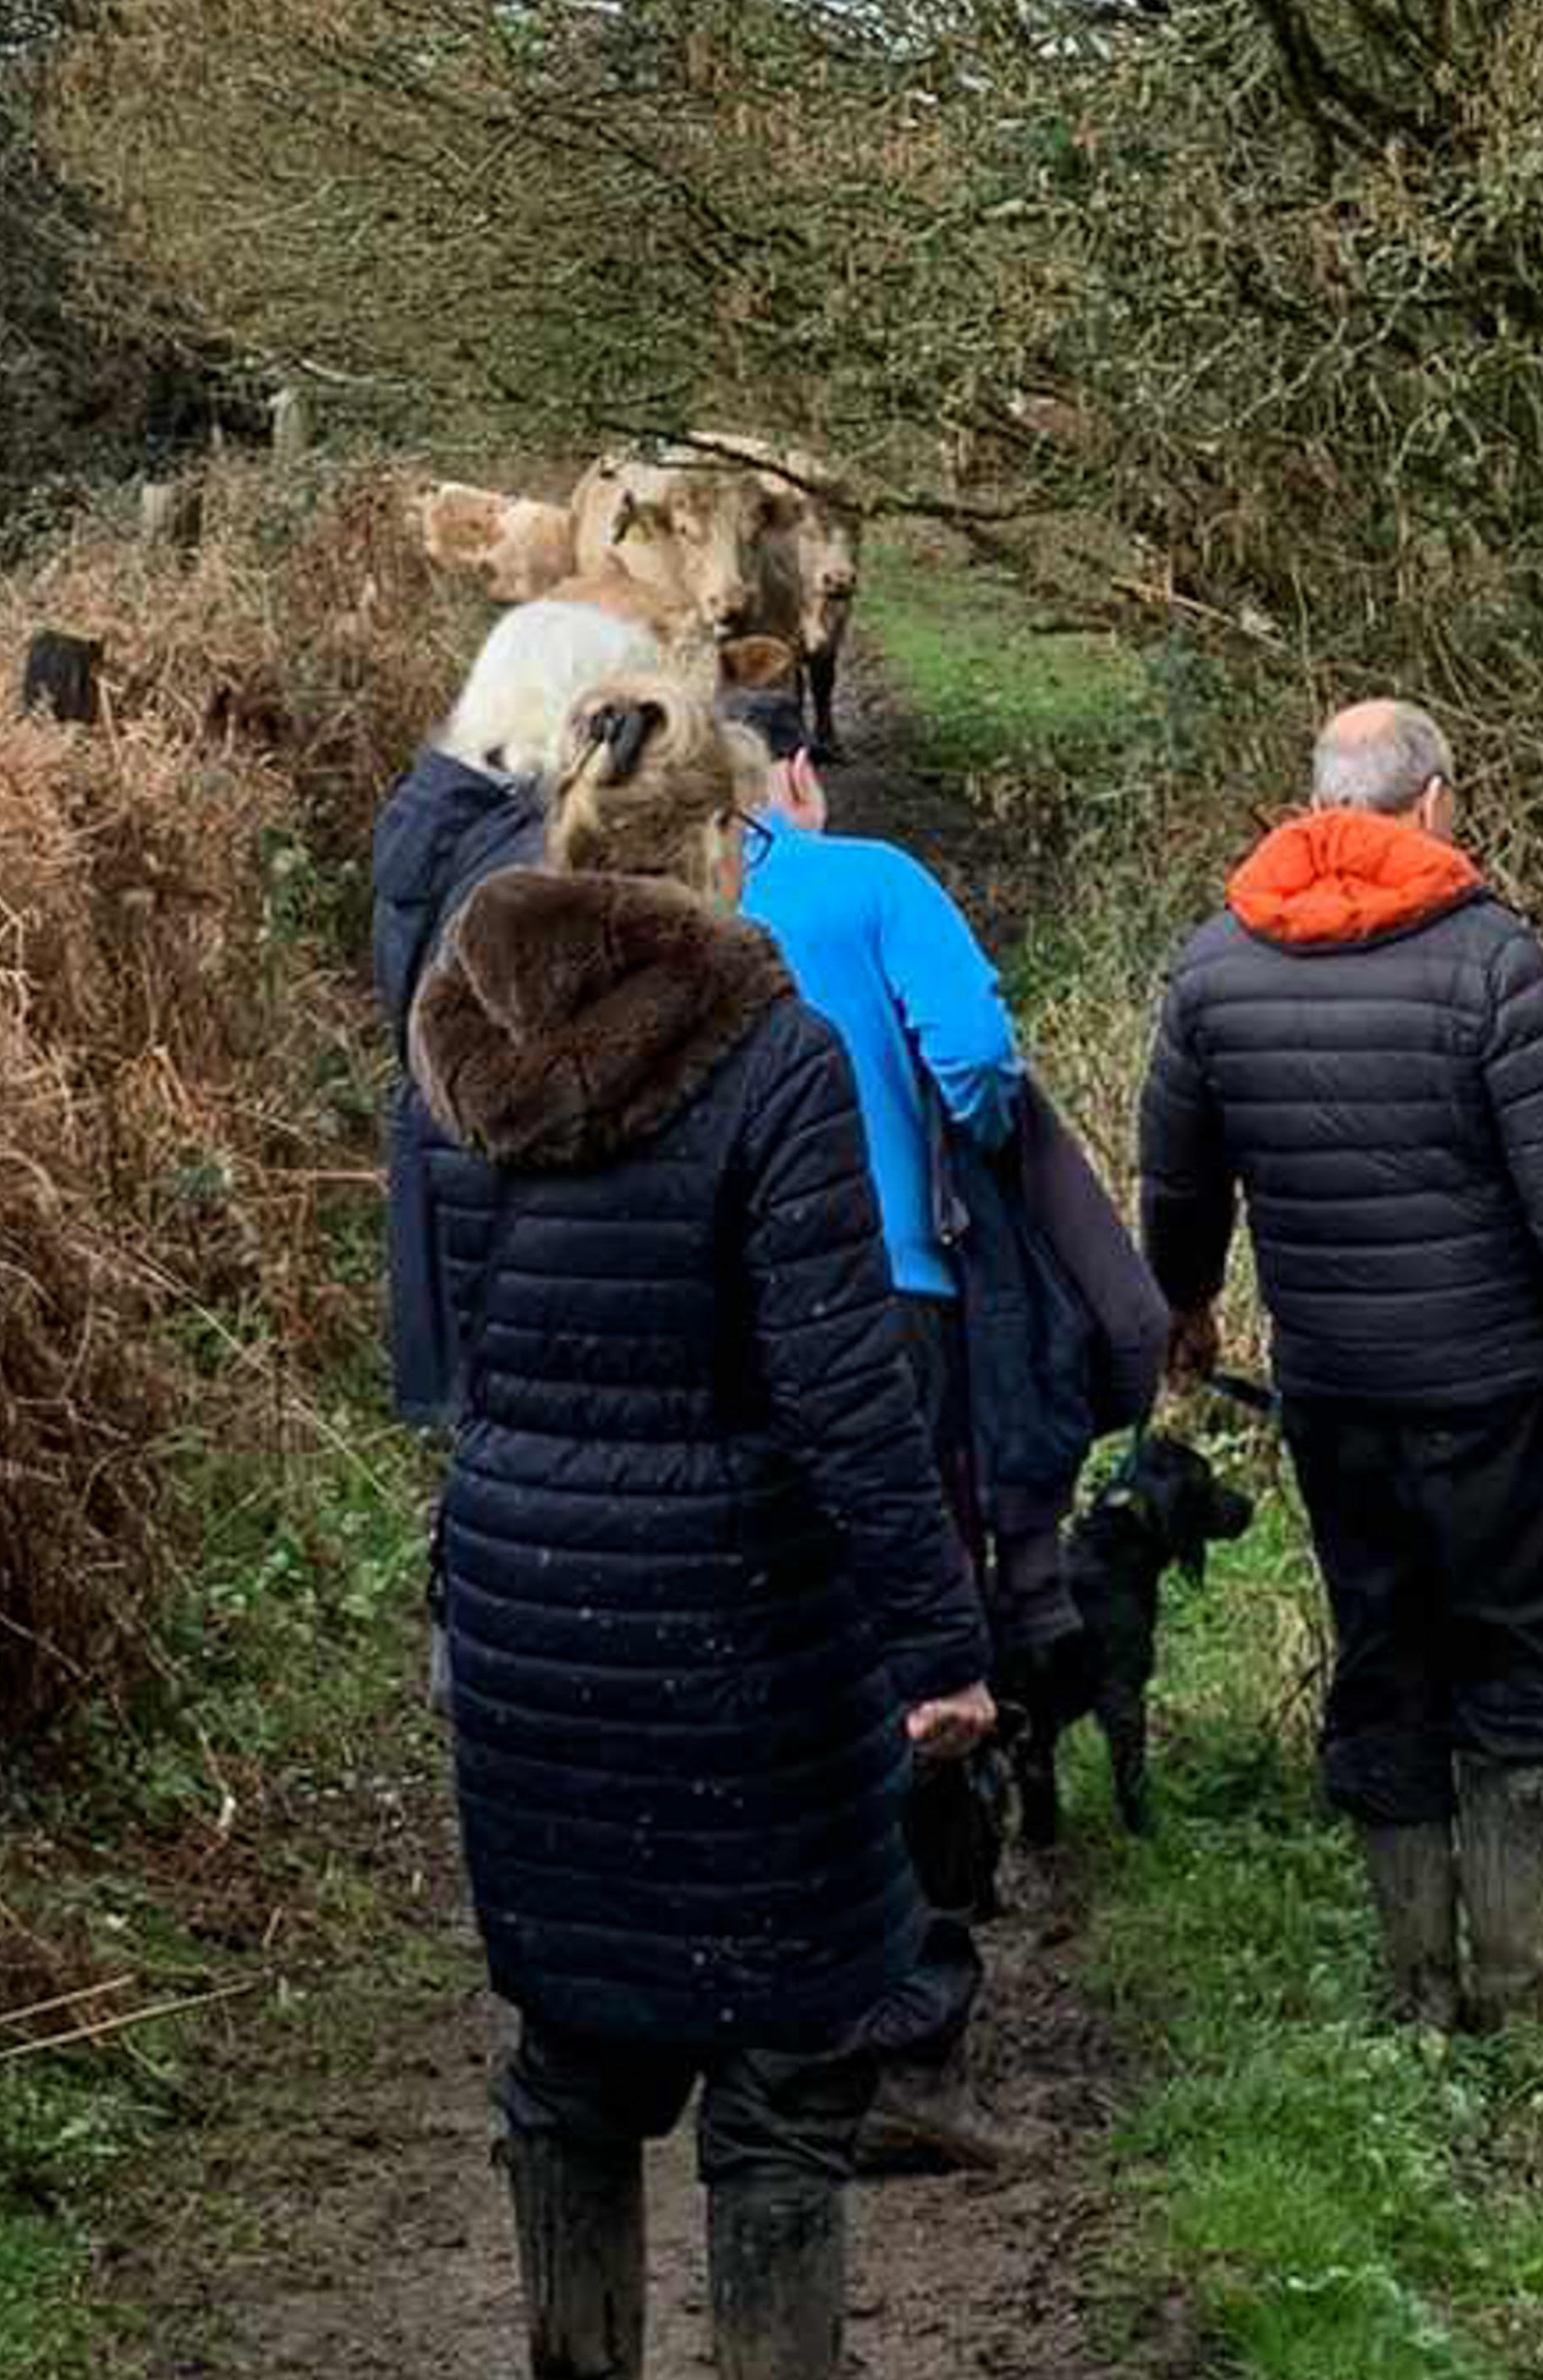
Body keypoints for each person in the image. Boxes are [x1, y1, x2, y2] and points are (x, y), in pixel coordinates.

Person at [404, 669, 994, 2380]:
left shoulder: (460, 1048)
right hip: (740, 1631)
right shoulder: (774, 1057)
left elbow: (465, 1348)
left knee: (572, 2056)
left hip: (523, 1610)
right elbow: (841, 1395)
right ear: (725, 840)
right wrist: (941, 1642)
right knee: (787, 2081)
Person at [1138, 699, 1543, 2033]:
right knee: (1522, 1651)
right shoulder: (1493, 961)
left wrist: (1185, 1309)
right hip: (1493, 1389)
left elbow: (1180, 1182)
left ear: (1316, 808)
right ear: (1430, 806)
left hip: (1336, 1390)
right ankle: (1512, 1968)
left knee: (1386, 1648)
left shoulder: (1215, 966)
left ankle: (1417, 1986)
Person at [722, 685, 1038, 2171]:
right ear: (795, 768)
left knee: (765, 1642)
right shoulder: (872, 880)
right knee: (917, 1639)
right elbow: (975, 1055)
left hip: (707, 1332)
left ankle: (760, 2003)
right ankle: (914, 2041)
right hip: (890, 1298)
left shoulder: (631, 911)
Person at [372, 597, 662, 1424]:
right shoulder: (533, 863)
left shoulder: (434, 825)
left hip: (444, 1181)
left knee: (489, 1453)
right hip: (525, 1221)